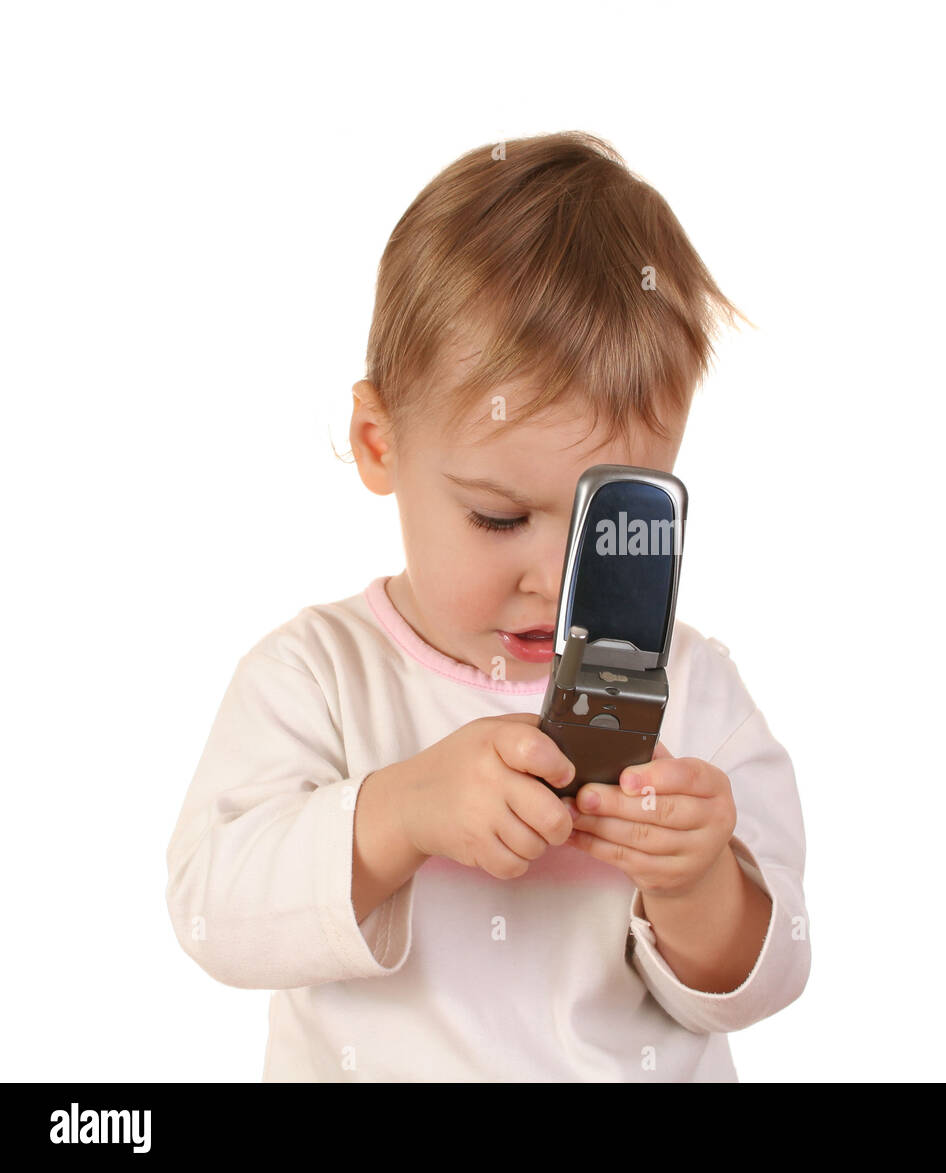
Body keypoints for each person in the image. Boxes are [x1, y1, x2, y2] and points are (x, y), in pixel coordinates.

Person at [165, 131, 811, 1081]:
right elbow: (212, 909)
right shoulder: (317, 675)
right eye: (500, 517)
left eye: (606, 525)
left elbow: (767, 973)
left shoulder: (694, 690)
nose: (555, 581)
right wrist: (399, 814)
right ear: (378, 443)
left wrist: (698, 879)